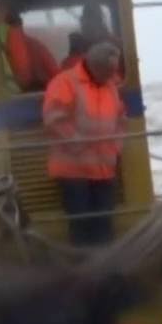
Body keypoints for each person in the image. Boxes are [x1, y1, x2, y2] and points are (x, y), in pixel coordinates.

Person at [42, 41, 127, 247]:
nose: (112, 77)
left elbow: (120, 118)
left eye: (113, 72)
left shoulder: (110, 85)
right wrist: (78, 144)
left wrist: (116, 147)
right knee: (80, 226)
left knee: (105, 225)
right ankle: (84, 272)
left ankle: (105, 270)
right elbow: (53, 118)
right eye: (108, 72)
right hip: (74, 171)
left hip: (104, 170)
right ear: (95, 67)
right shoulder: (64, 82)